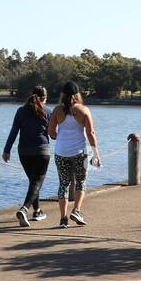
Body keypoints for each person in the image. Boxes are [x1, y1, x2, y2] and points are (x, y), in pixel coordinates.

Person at [48, 80, 101, 228]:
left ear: (63, 95)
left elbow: (51, 133)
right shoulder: (84, 110)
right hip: (80, 152)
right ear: (77, 94)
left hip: (61, 152)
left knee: (63, 184)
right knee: (81, 181)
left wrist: (60, 136)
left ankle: (63, 219)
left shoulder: (57, 110)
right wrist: (96, 153)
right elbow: (90, 133)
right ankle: (76, 210)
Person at [2, 85, 52, 226]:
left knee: (33, 182)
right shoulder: (48, 112)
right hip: (41, 151)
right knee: (37, 182)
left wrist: (7, 150)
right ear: (45, 98)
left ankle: (37, 211)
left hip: (24, 152)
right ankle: (24, 209)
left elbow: (14, 132)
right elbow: (53, 134)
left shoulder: (21, 111)